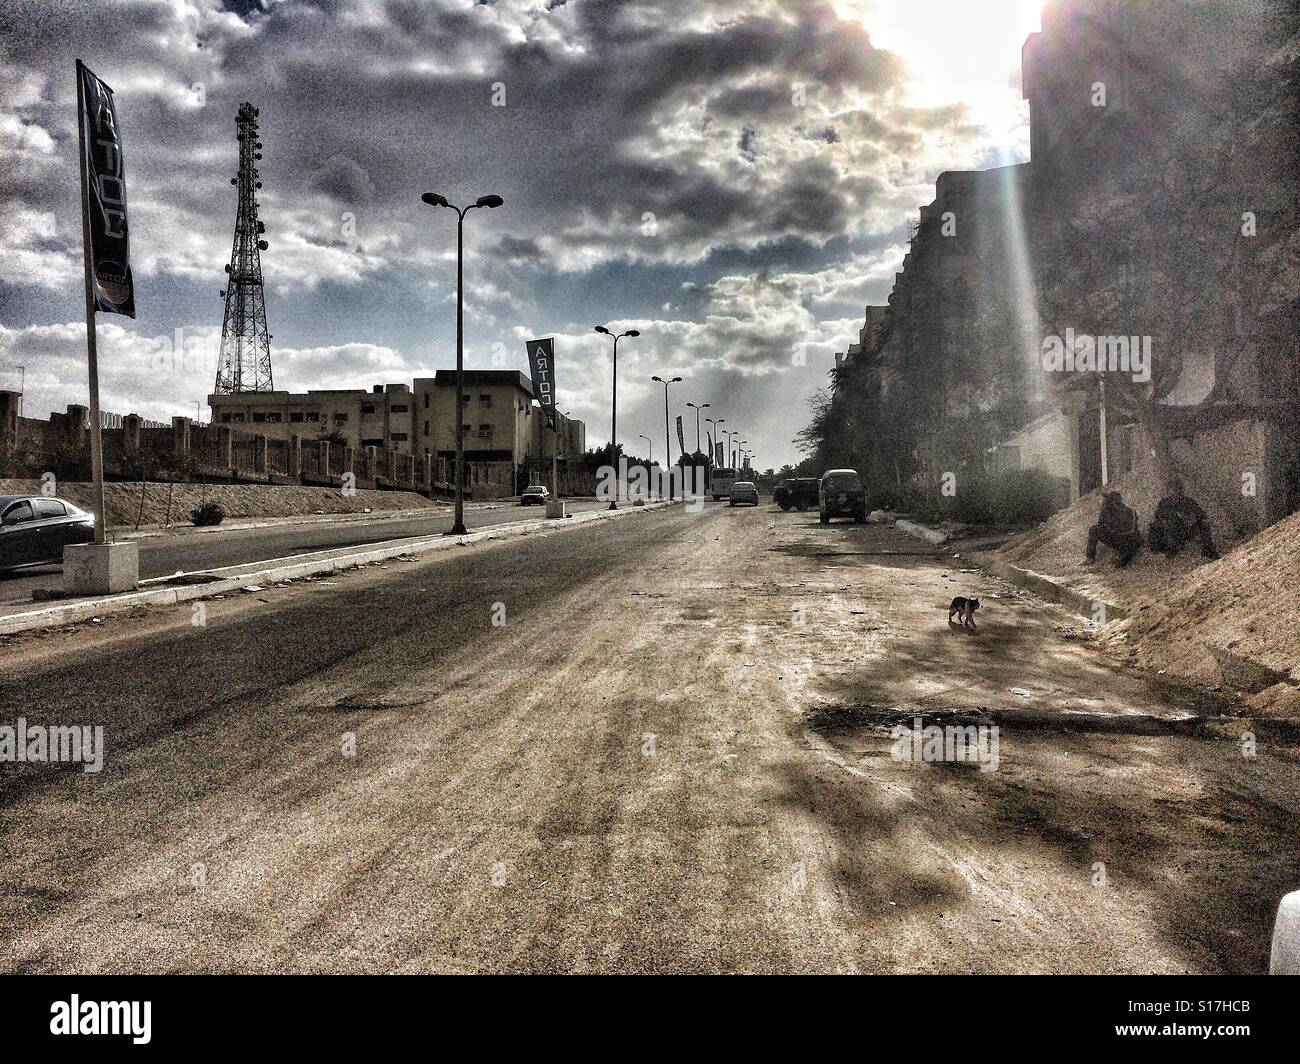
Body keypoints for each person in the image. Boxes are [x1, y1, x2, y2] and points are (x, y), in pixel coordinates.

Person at [1148, 477, 1220, 560]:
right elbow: (1158, 518)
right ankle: (1166, 550)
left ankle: (1208, 549)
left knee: (1204, 525)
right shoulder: (1163, 503)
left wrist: (1191, 518)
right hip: (1170, 532)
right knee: (1155, 527)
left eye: (1180, 489)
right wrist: (1167, 521)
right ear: (1168, 491)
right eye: (1174, 490)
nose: (1177, 492)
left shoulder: (1188, 502)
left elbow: (1202, 516)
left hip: (1185, 530)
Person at [1085, 490, 1143, 567]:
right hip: (1130, 542)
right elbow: (1134, 527)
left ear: (1109, 501)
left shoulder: (1107, 510)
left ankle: (1090, 558)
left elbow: (1102, 526)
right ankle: (1123, 557)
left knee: (1094, 530)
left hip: (1119, 541)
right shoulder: (1131, 511)